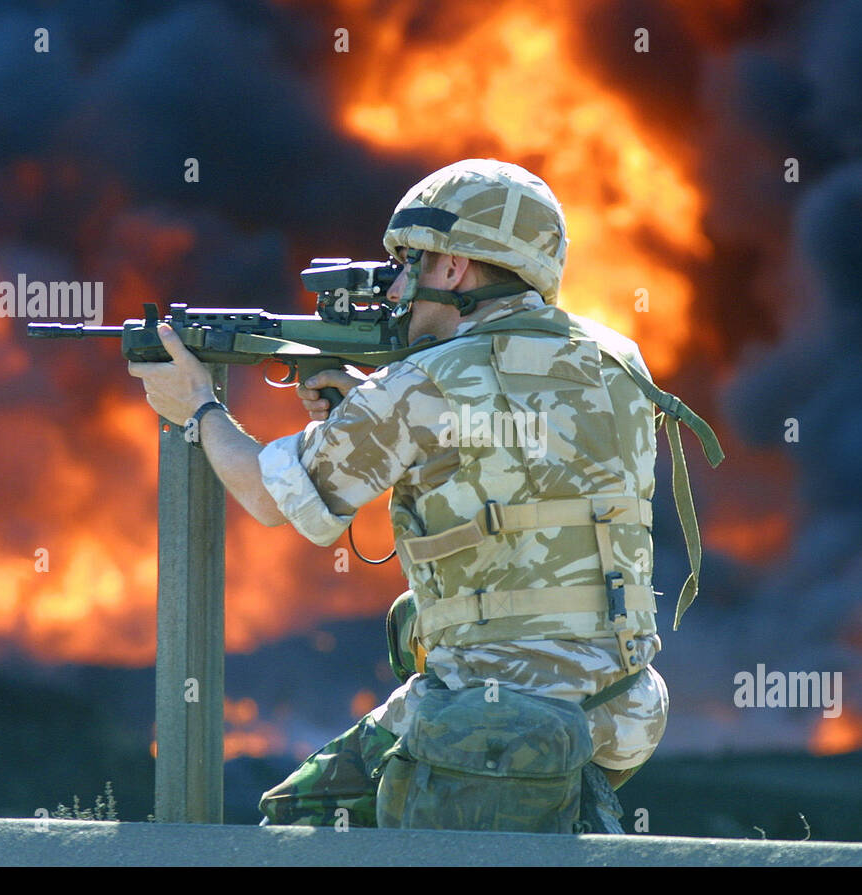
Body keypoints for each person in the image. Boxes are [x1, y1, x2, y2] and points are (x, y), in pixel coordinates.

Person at [128, 158, 722, 833]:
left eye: (409, 261)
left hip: (496, 708)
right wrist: (369, 414)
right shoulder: (620, 360)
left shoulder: (422, 382)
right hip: (623, 708)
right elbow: (525, 460)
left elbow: (273, 495)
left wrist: (198, 409)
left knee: (300, 817)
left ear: (453, 269)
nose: (398, 284)